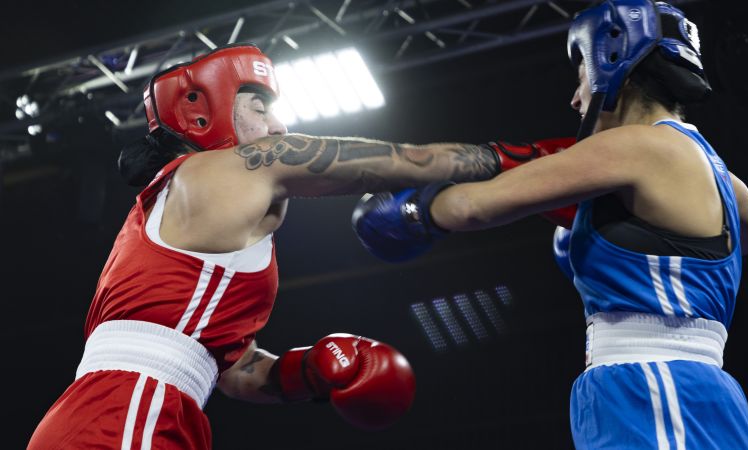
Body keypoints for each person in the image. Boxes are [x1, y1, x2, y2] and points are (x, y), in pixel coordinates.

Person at [27, 43, 546, 449]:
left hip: (122, 412)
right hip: (128, 414)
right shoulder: (224, 169)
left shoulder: (173, 210)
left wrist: (311, 371)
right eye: (260, 108)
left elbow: (231, 371)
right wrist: (534, 159)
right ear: (199, 114)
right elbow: (407, 160)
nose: (280, 126)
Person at [351, 1, 748, 448]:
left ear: (611, 57)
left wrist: (413, 214)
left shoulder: (636, 147)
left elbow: (474, 206)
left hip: (653, 385)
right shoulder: (727, 181)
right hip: (693, 389)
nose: (575, 96)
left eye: (581, 71)